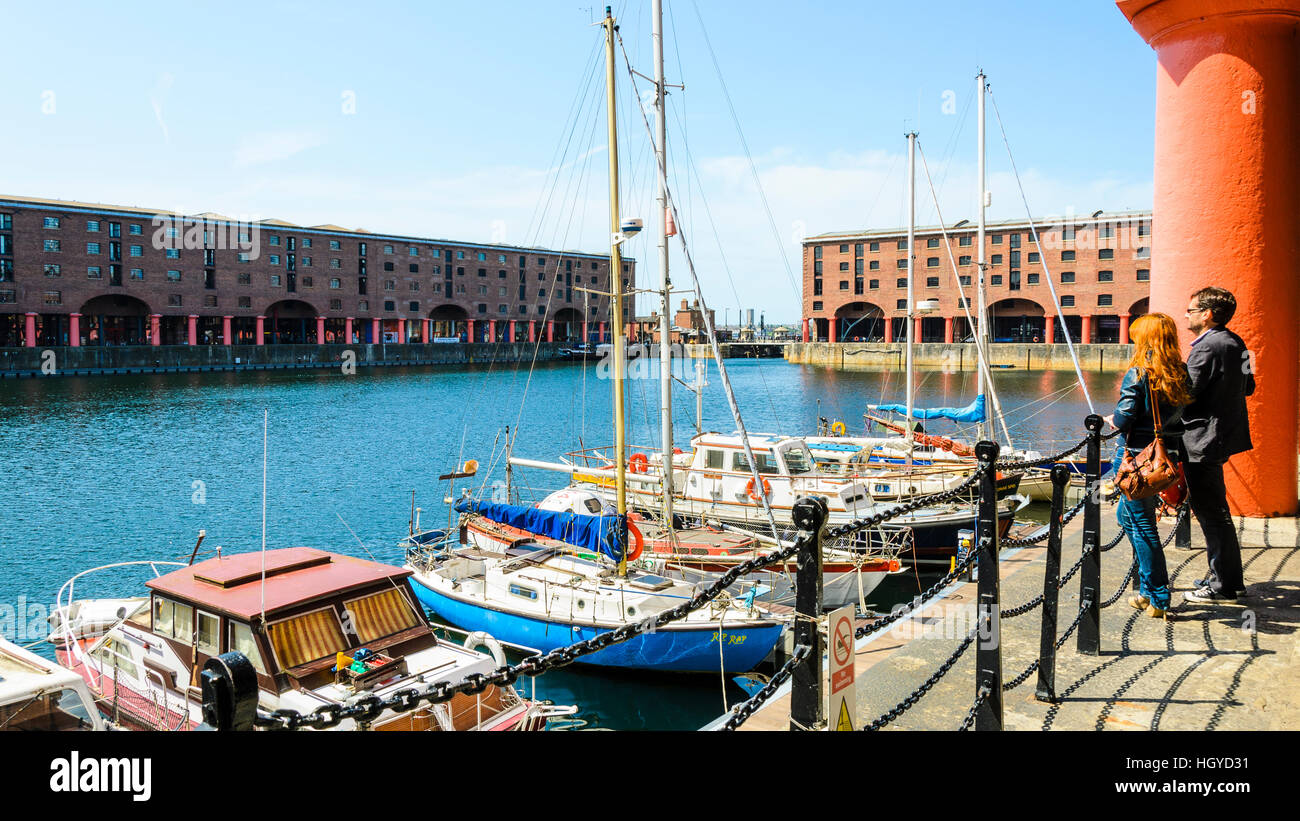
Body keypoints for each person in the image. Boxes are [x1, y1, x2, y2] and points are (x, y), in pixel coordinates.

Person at [1107, 312, 1191, 619]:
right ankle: (1147, 591)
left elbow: (1124, 418)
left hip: (1136, 458)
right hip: (1166, 455)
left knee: (1142, 526)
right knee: (1126, 516)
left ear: (1146, 339)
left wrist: (1111, 419)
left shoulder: (1139, 373)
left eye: (1136, 335)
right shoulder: (1180, 372)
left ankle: (1157, 596)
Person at [1181, 287, 1255, 603]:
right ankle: (1226, 577)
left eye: (1191, 310)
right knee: (1216, 510)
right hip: (1222, 436)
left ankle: (1224, 584)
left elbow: (1184, 396)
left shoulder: (1206, 348)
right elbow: (1249, 386)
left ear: (1207, 314)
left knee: (1212, 512)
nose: (1186, 315)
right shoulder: (1236, 342)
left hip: (1203, 440)